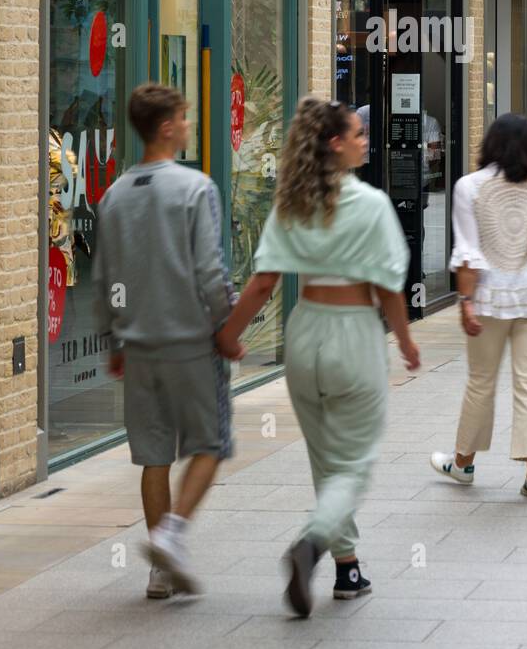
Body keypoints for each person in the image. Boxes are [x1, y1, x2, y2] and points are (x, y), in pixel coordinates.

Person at [216, 97, 419, 617]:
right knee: (354, 460)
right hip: (354, 335)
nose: (363, 140)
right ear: (335, 143)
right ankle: (310, 544)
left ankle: (347, 566)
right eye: (356, 133)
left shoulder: (292, 204)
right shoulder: (372, 204)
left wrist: (230, 335)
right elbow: (389, 289)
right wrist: (406, 340)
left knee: (327, 457)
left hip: (304, 333)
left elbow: (263, 283)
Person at [92, 84, 236, 599]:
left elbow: (106, 278)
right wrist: (227, 327)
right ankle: (172, 537)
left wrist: (113, 343)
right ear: (168, 127)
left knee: (154, 455)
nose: (190, 124)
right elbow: (210, 272)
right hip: (190, 343)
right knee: (211, 443)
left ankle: (159, 571)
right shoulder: (196, 189)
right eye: (185, 116)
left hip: (138, 347)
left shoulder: (113, 197)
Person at [430, 114, 527, 498]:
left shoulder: (469, 187)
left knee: (480, 382)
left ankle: (463, 463)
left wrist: (465, 302)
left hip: (486, 300)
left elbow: (467, 254)